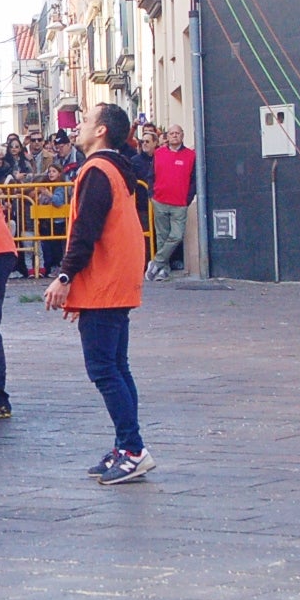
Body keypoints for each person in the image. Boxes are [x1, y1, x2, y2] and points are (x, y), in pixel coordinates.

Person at [41, 104, 154, 486]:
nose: (79, 127)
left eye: (86, 121)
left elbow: (86, 230)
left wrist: (65, 276)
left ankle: (134, 449)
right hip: (116, 280)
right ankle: (126, 445)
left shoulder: (96, 170)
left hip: (105, 281)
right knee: (117, 367)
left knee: (105, 369)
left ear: (102, 130)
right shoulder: (118, 168)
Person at [149, 124, 197, 281]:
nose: (174, 136)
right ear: (167, 137)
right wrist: (152, 194)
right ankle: (163, 270)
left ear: (182, 136)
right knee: (162, 237)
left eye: (177, 133)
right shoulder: (158, 154)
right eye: (171, 133)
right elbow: (151, 175)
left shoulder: (191, 156)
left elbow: (194, 180)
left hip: (180, 203)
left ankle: (156, 262)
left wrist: (187, 199)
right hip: (160, 200)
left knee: (176, 236)